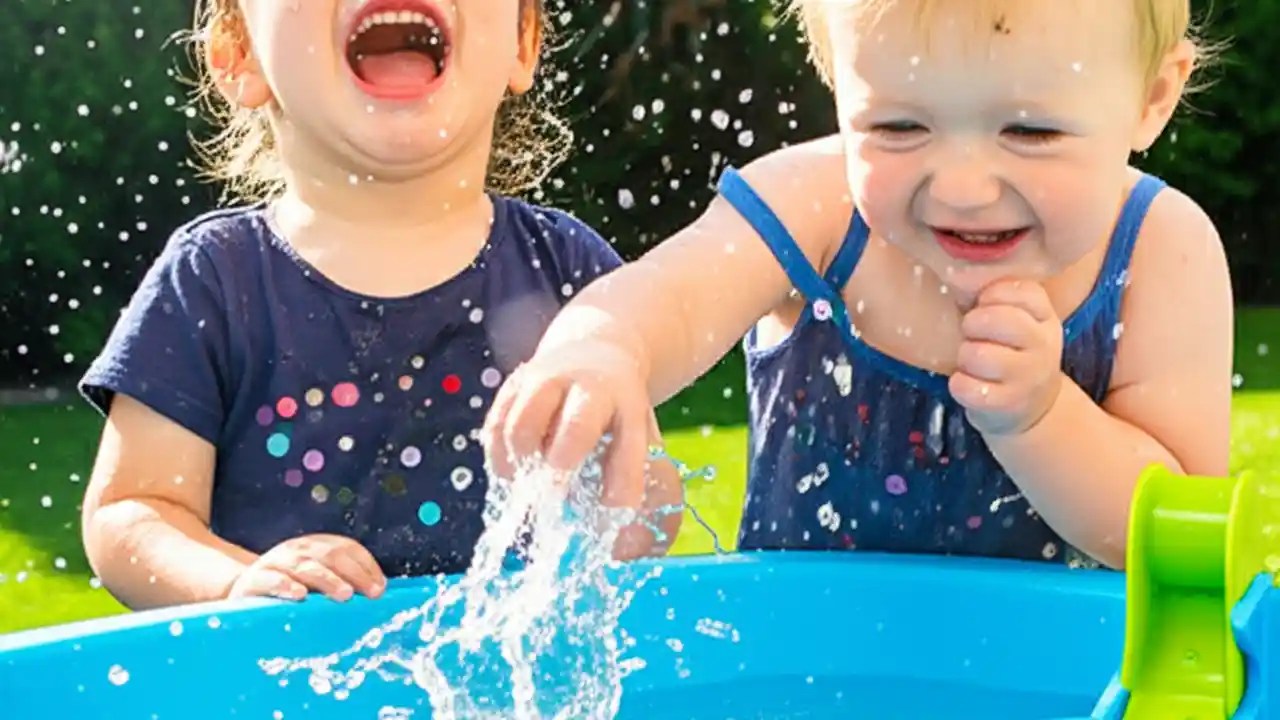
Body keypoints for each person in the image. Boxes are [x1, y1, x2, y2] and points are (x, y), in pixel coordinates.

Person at [483, 0, 1234, 570]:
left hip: (1060, 688)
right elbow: (673, 295)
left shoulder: (1162, 253)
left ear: (1153, 98)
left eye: (1031, 132)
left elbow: (1175, 544)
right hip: (804, 674)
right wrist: (604, 345)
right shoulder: (817, 210)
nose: (964, 187)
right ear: (839, 84)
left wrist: (1039, 419)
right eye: (898, 128)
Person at [78, 0, 681, 610]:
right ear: (240, 55)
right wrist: (235, 579)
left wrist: (627, 499)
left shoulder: (565, 271)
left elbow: (643, 510)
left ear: (522, 44)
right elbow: (133, 512)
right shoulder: (213, 281)